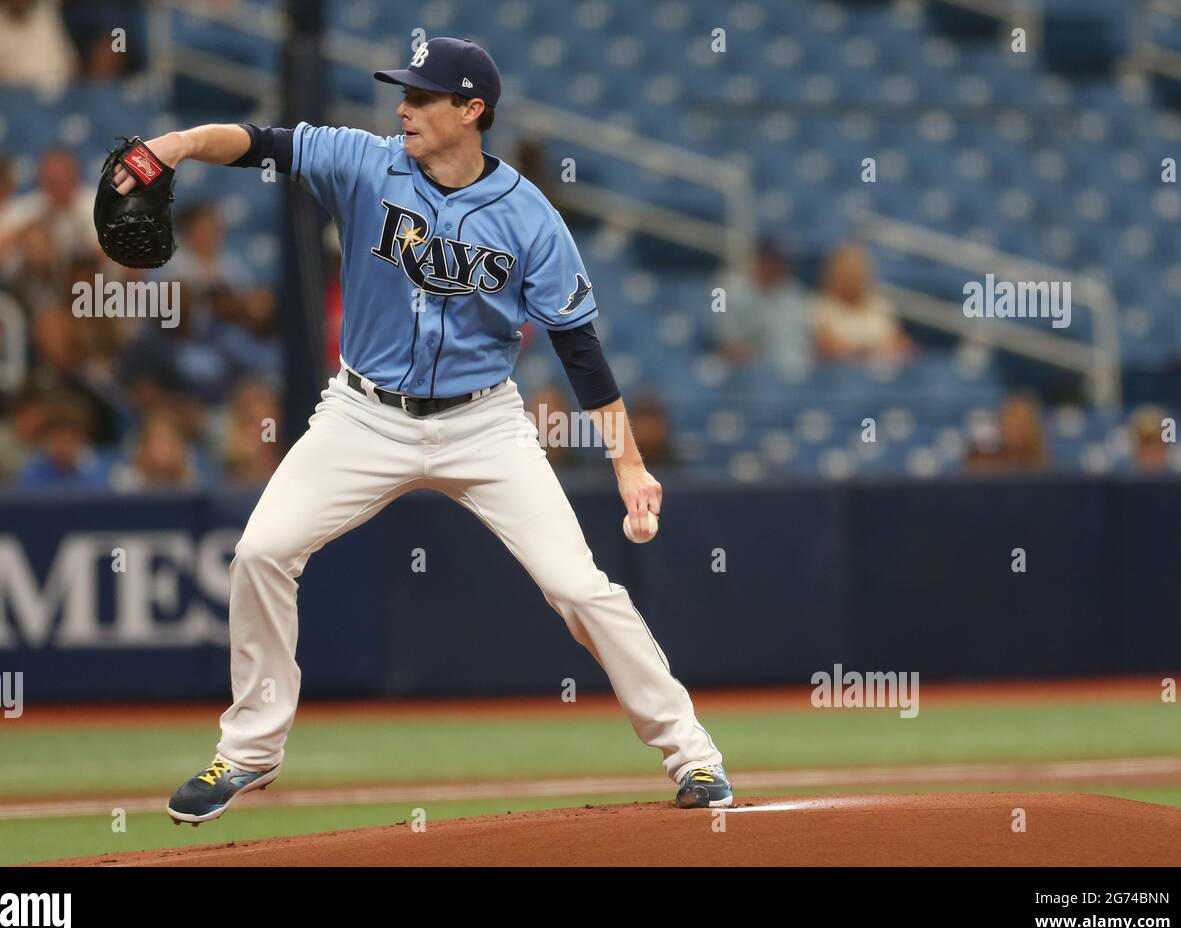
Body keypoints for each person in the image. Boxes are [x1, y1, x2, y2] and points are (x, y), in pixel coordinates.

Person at [112, 37, 729, 823]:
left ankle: (694, 756)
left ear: (471, 111)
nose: (403, 106)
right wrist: (176, 145)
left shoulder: (529, 216)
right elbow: (260, 143)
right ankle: (249, 752)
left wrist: (628, 466)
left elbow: (580, 349)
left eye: (424, 96)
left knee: (580, 588)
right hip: (363, 414)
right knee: (262, 552)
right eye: (404, 91)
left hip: (484, 424)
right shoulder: (364, 163)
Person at [714, 241, 813, 372]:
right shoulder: (730, 292)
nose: (771, 266)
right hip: (751, 373)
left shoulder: (796, 294)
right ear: (758, 261)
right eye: (767, 261)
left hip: (796, 373)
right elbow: (727, 345)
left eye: (776, 261)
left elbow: (807, 345)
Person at [811, 243, 913, 363]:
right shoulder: (822, 308)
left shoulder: (880, 305)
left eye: (855, 269)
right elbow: (831, 348)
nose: (851, 276)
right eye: (846, 270)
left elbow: (902, 346)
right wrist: (874, 350)